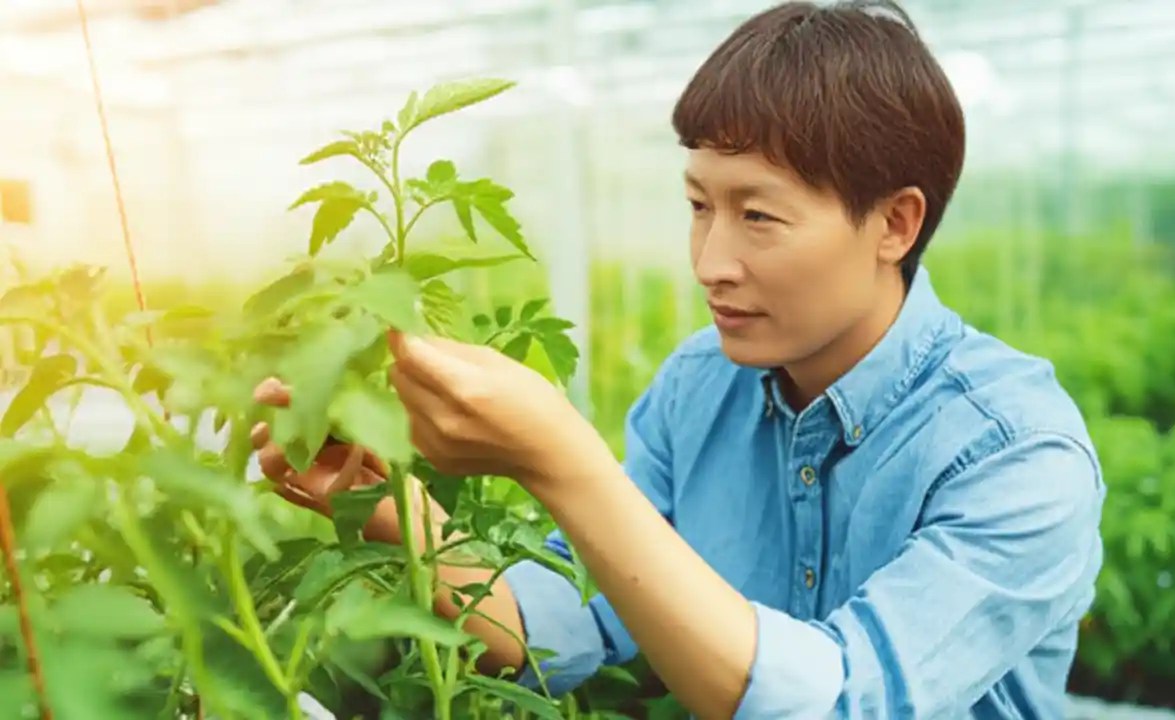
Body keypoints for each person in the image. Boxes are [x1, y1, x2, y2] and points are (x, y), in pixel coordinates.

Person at [252, 2, 1106, 717]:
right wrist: (391, 509)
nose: (710, 262)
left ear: (895, 224)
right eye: (699, 205)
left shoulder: (1014, 454)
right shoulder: (701, 390)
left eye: (758, 217)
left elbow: (843, 700)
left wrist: (561, 459)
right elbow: (568, 627)